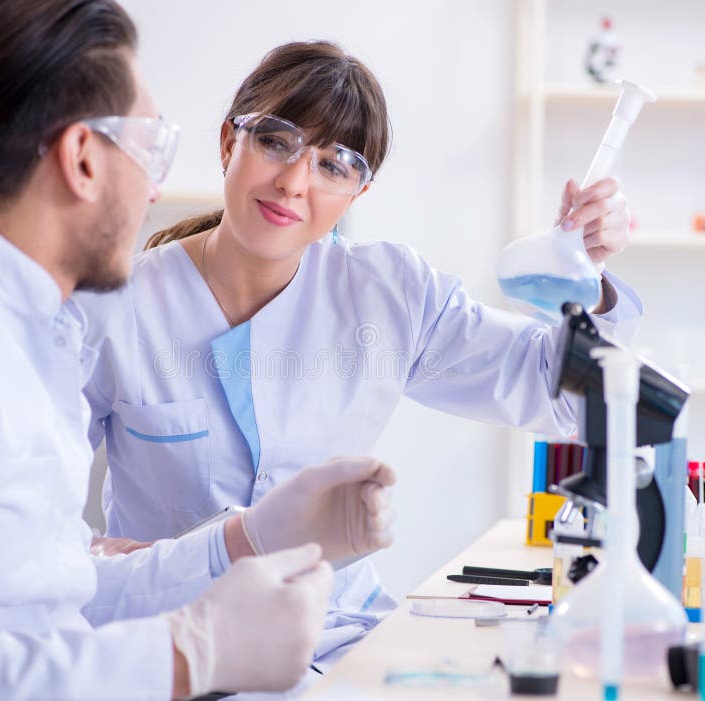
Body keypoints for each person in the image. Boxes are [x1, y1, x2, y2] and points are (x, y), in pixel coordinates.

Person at [76, 39, 642, 671]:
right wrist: (97, 556)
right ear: (228, 142)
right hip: (174, 646)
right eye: (275, 141)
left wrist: (589, 277)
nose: (294, 182)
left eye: (334, 165)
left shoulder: (389, 295)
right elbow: (24, 529)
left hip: (339, 643)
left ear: (359, 192)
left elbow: (558, 395)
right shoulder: (111, 306)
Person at [0, 4, 397, 699]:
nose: (157, 188)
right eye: (150, 150)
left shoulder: (25, 328)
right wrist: (182, 658)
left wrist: (243, 539)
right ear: (82, 159)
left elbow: (50, 589)